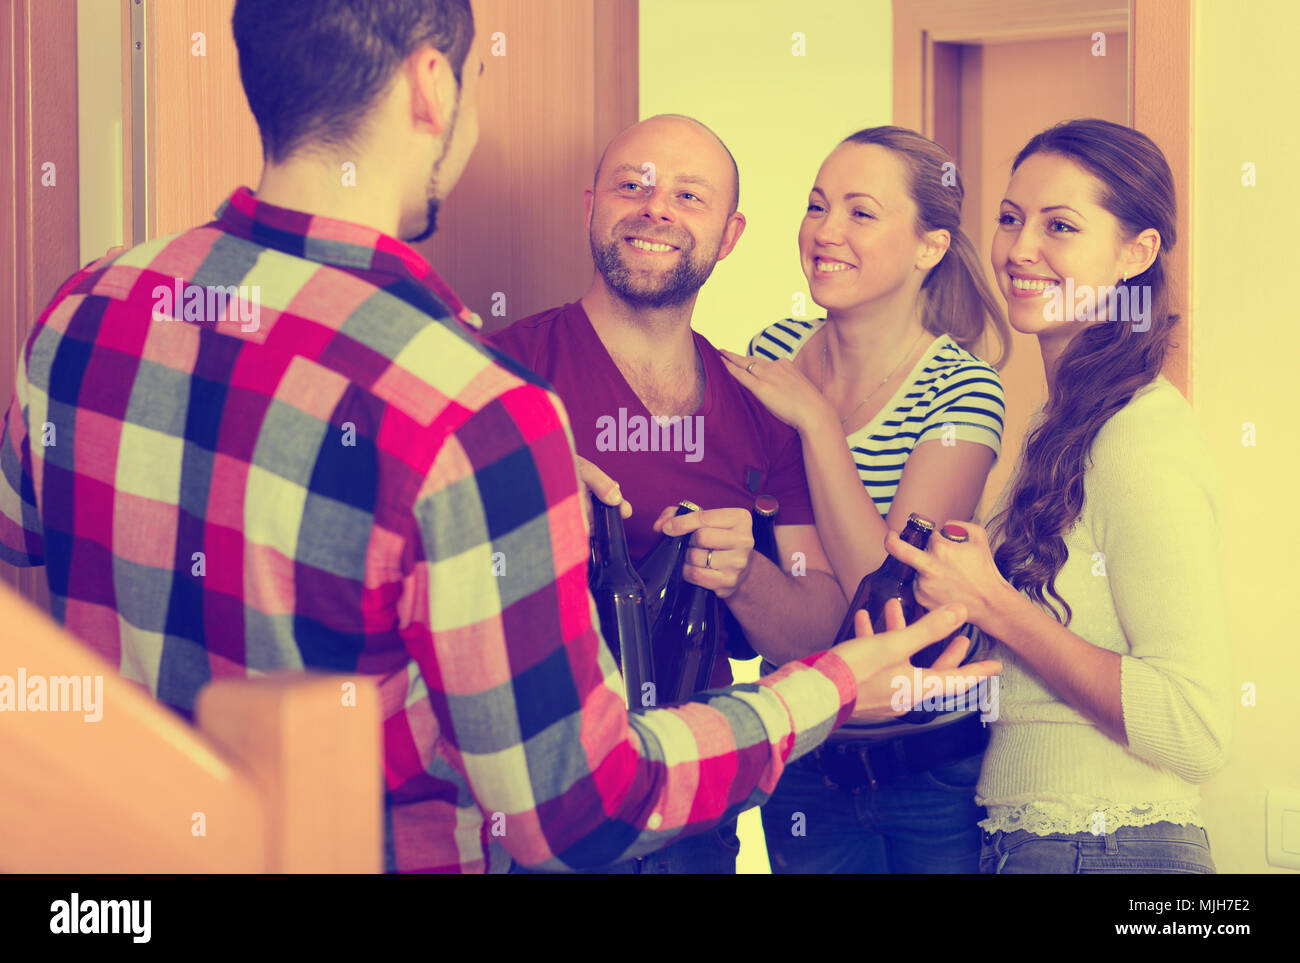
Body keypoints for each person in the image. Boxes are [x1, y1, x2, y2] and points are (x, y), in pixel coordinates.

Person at [0, 0, 998, 874]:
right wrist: (828, 690)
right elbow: (577, 809)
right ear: (432, 86)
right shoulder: (476, 404)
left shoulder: (84, 307)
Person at [488, 113, 856, 873]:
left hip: (695, 814)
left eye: (690, 195)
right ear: (590, 205)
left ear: (730, 234)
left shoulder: (763, 408)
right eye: (633, 185)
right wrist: (537, 501)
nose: (656, 207)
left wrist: (748, 576)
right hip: (536, 815)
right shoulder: (499, 374)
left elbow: (817, 626)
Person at [883, 118, 1231, 874]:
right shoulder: (1059, 420)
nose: (1018, 250)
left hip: (1105, 847)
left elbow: (1195, 725)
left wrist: (994, 603)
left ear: (1136, 252)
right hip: (1044, 842)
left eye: (1060, 226)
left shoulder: (1141, 435)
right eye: (1010, 218)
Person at [723, 126, 1009, 873]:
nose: (825, 232)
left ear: (929, 246)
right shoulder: (774, 349)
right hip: (803, 742)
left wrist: (817, 423)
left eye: (859, 212)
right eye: (817, 206)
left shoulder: (961, 390)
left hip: (927, 767)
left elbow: (878, 589)